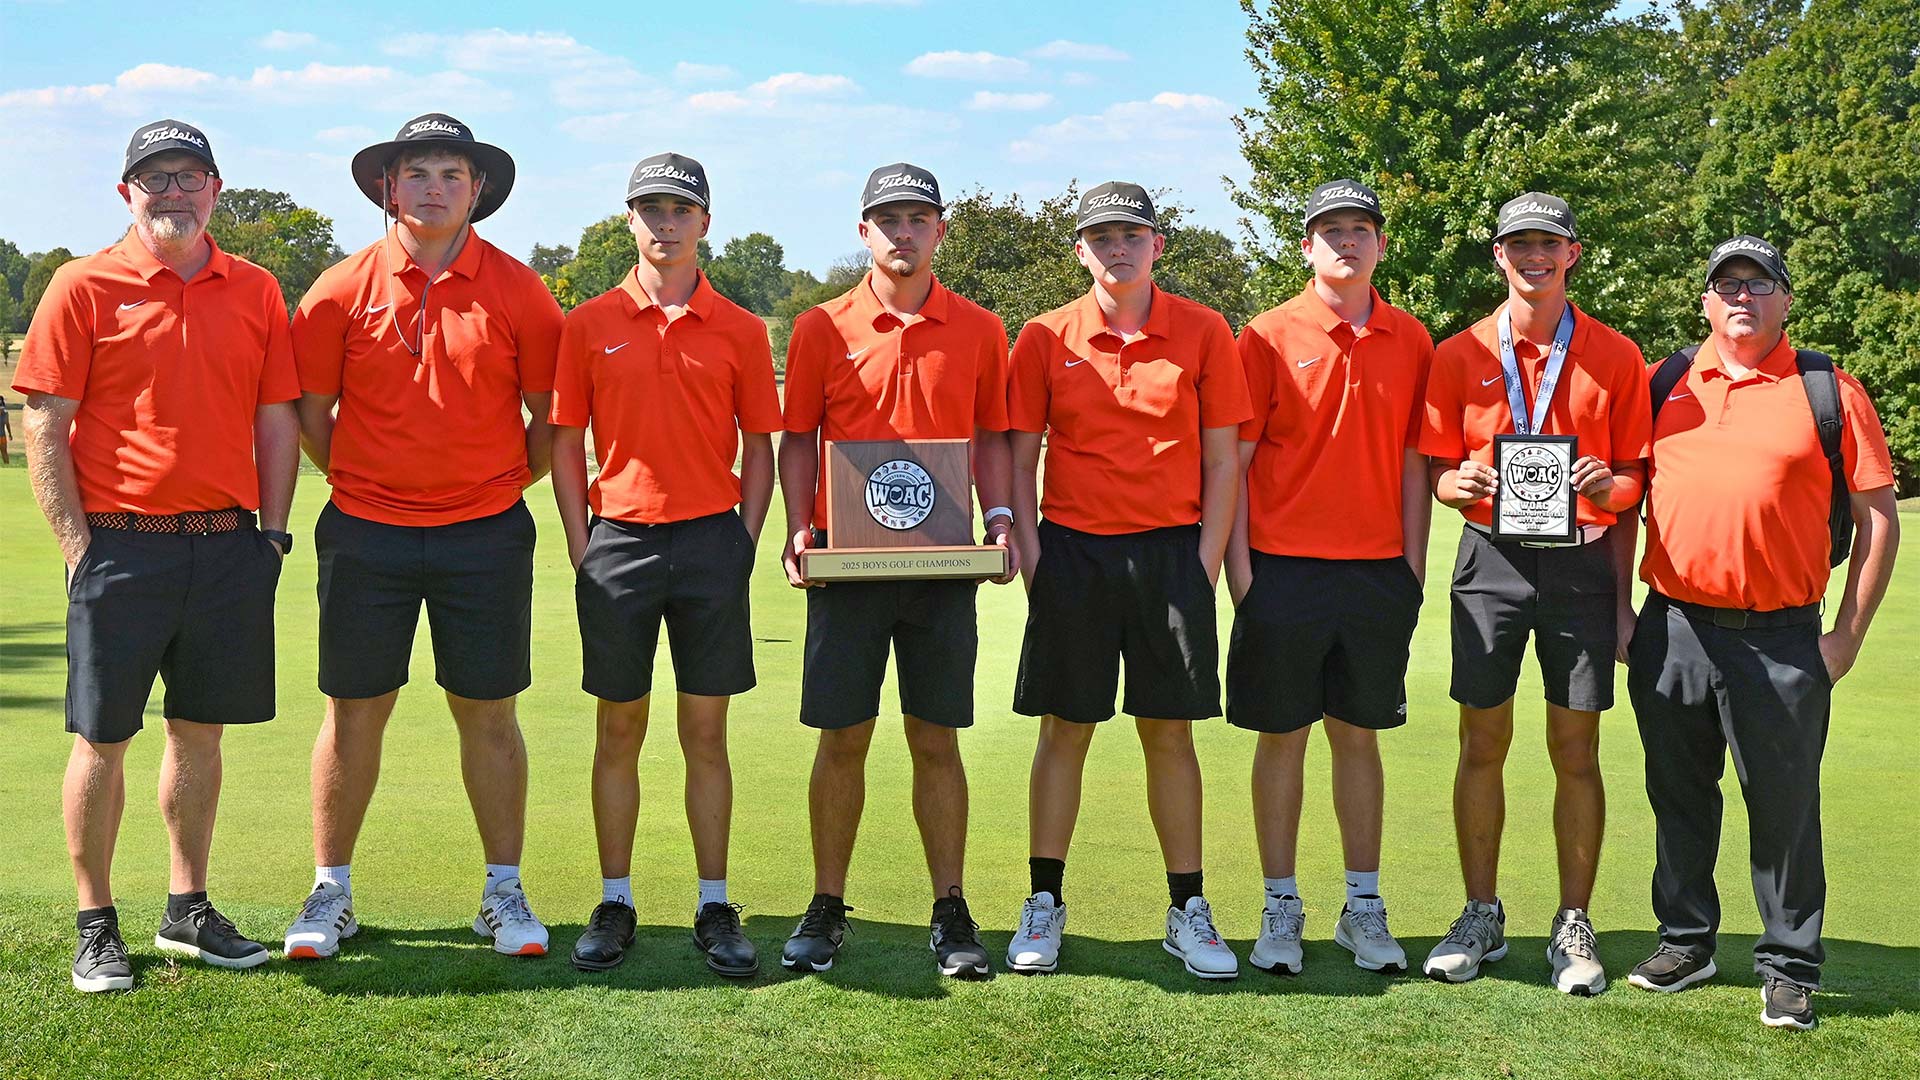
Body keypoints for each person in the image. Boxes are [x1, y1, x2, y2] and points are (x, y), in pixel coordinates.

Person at [15, 119, 299, 991]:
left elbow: (276, 415)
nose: (171, 192)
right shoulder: (83, 284)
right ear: (126, 192)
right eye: (155, 178)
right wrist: (75, 546)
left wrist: (273, 533)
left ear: (216, 188)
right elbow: (43, 421)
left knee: (199, 737)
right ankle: (96, 924)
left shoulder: (254, 289)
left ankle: (187, 909)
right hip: (120, 549)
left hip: (224, 546)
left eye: (188, 176)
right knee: (102, 740)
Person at [282, 114, 564, 960]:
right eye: (418, 172)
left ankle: (502, 892)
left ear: (477, 190)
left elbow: (551, 418)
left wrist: (503, 481)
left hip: (486, 532)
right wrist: (362, 480)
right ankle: (331, 890)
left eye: (452, 173)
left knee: (489, 714)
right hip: (366, 532)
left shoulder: (521, 291)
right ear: (387, 188)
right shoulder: (337, 288)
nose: (435, 187)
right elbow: (310, 415)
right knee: (353, 711)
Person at [1623, 235, 1898, 1030]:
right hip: (1671, 623)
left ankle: (1788, 965)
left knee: (1783, 805)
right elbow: (1622, 504)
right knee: (1677, 795)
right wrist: (1620, 611)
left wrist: (1845, 636)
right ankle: (1686, 941)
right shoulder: (1663, 383)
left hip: (1781, 634)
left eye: (1758, 282)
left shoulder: (1827, 389)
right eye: (1726, 284)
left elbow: (1879, 519)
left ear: (1785, 297)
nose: (1741, 296)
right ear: (1705, 301)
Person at [1005, 182, 1251, 979]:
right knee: (1064, 729)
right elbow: (1018, 459)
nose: (1118, 248)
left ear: (1158, 247)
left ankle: (1188, 909)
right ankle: (1044, 902)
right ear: (1080, 250)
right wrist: (1039, 563)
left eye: (1132, 235)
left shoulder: (1205, 331)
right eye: (1101, 237)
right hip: (1072, 553)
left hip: (1171, 554)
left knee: (1168, 732)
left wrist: (1204, 562)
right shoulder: (1044, 337)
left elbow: (1223, 460)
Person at [777, 163, 1017, 978]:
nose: (902, 233)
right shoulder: (820, 326)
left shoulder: (982, 329)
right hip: (847, 566)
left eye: (918, 219)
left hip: (944, 566)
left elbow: (991, 438)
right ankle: (826, 903)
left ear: (940, 230)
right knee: (843, 736)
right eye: (888, 220)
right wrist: (797, 527)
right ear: (863, 232)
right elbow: (800, 437)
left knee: (935, 738)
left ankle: (950, 908)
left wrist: (1001, 518)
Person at [550, 153, 780, 977]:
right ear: (629, 220)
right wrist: (583, 544)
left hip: (711, 539)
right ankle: (615, 900)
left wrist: (745, 537)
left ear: (705, 222)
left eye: (681, 209)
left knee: (705, 733)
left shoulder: (743, 329)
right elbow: (564, 442)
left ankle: (715, 903)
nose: (666, 223)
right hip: (619, 543)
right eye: (651, 209)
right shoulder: (587, 323)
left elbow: (762, 445)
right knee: (619, 728)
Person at [1418, 192, 1651, 995]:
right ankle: (1480, 913)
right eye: (1518, 244)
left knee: (1574, 750)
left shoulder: (1618, 355)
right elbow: (1437, 470)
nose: (1534, 258)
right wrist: (1459, 482)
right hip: (1490, 563)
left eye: (1548, 244)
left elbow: (1634, 480)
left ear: (1573, 254)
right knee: (1481, 742)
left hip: (1581, 566)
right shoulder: (1457, 354)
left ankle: (1573, 921)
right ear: (1498, 256)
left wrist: (1606, 484)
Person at [1225, 180, 1434, 976]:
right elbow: (1236, 467)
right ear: (1306, 245)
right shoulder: (1266, 335)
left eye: (1361, 230)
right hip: (1282, 571)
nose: (1346, 242)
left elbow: (1417, 466)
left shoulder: (1413, 339)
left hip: (1378, 573)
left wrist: (1411, 568)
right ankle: (1281, 905)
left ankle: (1363, 906)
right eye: (1330, 231)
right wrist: (1244, 581)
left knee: (1359, 737)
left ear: (1381, 244)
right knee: (1281, 740)